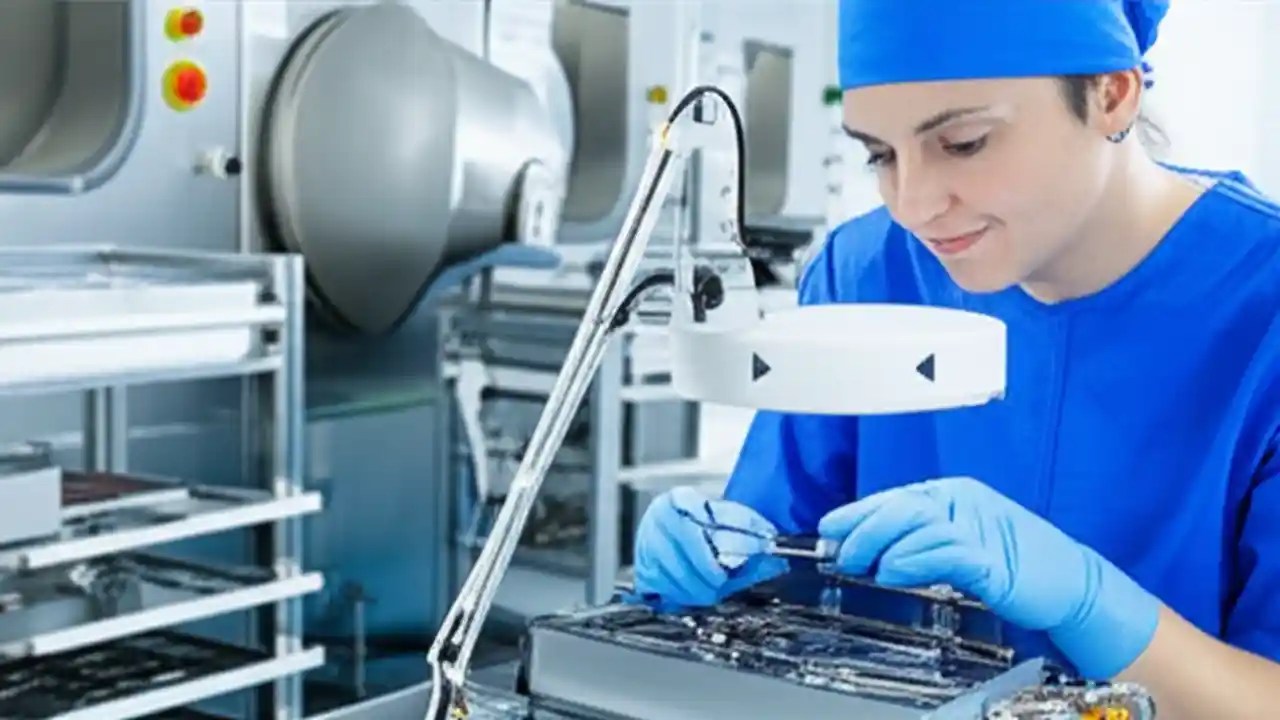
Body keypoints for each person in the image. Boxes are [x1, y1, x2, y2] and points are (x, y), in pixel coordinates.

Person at [630, 0, 1280, 716]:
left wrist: (1092, 603)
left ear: (1111, 94)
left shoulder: (1262, 305)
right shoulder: (865, 270)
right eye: (879, 155)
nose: (912, 206)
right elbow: (773, 568)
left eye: (964, 143)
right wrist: (715, 562)